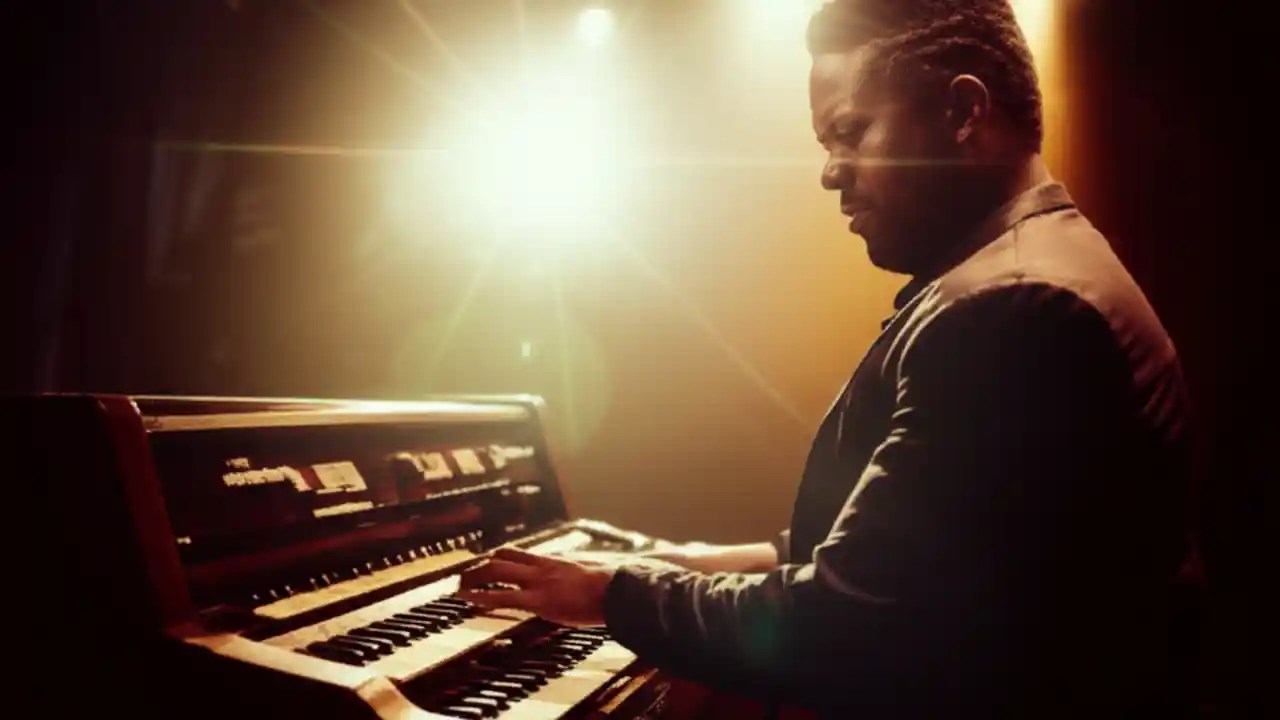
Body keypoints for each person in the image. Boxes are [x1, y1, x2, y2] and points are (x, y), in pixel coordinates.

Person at [459, 1, 1193, 716]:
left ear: (964, 112)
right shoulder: (1031, 271)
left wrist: (608, 594)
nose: (830, 173)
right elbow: (888, 550)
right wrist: (668, 557)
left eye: (850, 132)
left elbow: (846, 622)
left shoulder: (1014, 308)